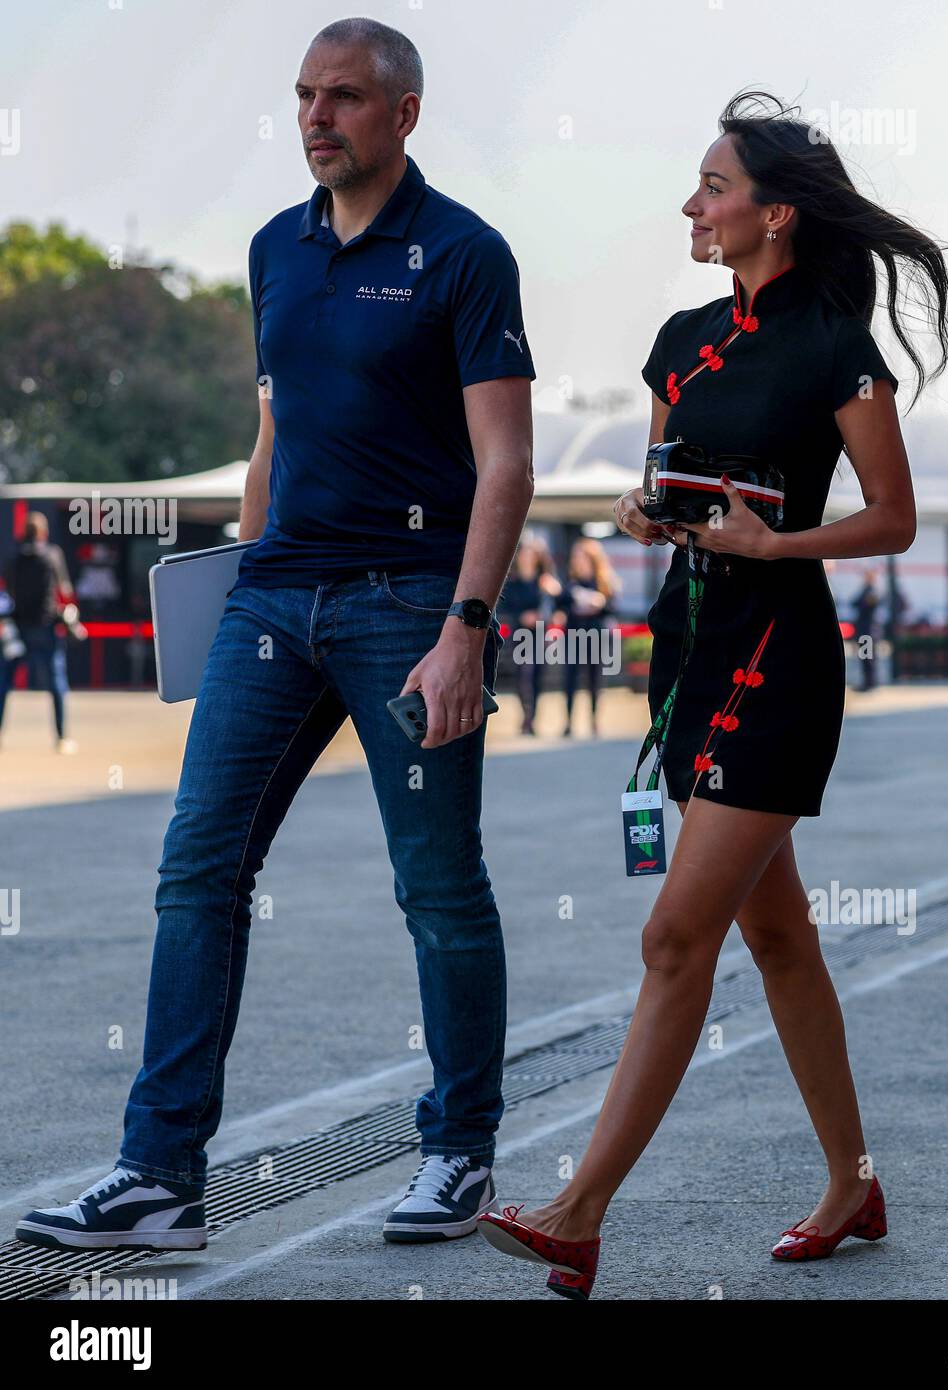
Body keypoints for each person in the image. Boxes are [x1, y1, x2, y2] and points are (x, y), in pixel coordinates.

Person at [17, 17, 536, 1252]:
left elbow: (504, 460)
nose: (316, 117)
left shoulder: (466, 254)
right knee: (198, 867)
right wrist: (239, 582)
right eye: (305, 95)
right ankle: (160, 1180)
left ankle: (459, 1152)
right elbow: (273, 438)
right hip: (273, 603)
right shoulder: (273, 251)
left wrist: (467, 629)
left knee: (438, 884)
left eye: (344, 98)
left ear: (403, 113)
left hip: (408, 605)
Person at [478, 88, 948, 1298]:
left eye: (713, 187)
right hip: (689, 647)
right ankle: (851, 1181)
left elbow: (893, 518)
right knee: (780, 937)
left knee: (673, 933)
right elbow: (659, 484)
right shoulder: (681, 336)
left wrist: (776, 545)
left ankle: (580, 1214)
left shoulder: (840, 342)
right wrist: (651, 514)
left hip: (781, 656)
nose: (692, 205)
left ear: (775, 213)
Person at [0, 512, 79, 753]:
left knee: (3, 684)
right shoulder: (53, 555)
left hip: (18, 628)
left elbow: (8, 590)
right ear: (43, 532)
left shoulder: (13, 558)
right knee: (56, 682)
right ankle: (62, 738)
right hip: (46, 627)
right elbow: (65, 589)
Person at [498, 532, 560, 735]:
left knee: (537, 677)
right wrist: (521, 617)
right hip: (519, 635)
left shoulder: (544, 582)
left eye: (532, 555)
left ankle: (532, 718)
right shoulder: (512, 582)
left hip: (540, 635)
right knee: (523, 675)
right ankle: (525, 716)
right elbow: (505, 609)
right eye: (525, 554)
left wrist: (555, 592)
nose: (527, 558)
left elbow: (559, 605)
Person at [558, 537, 619, 736]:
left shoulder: (602, 582)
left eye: (582, 557)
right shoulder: (569, 582)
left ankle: (594, 721)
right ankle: (568, 722)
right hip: (574, 633)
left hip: (596, 634)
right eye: (576, 557)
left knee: (594, 678)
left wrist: (600, 603)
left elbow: (611, 608)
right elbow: (561, 605)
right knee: (570, 677)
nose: (577, 561)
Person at [850, 567, 882, 691]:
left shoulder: (873, 591)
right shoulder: (866, 590)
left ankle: (870, 683)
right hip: (865, 630)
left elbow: (862, 605)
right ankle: (868, 682)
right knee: (865, 657)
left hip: (868, 631)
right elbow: (855, 602)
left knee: (868, 657)